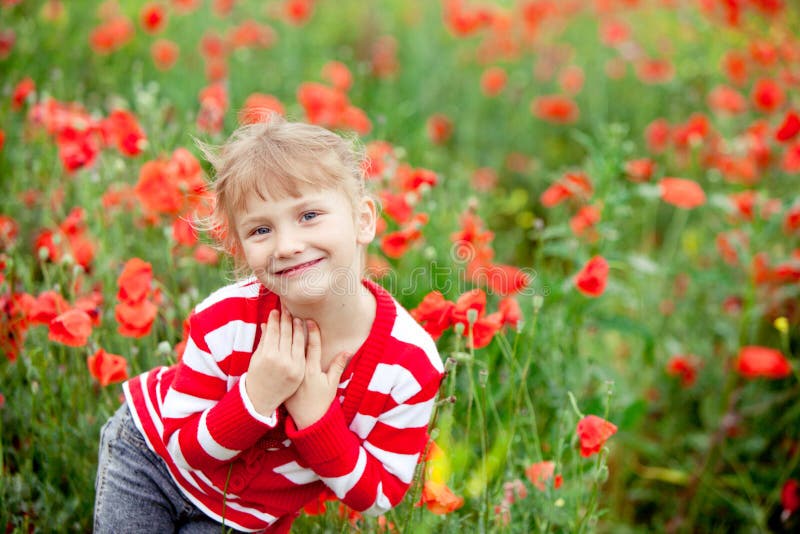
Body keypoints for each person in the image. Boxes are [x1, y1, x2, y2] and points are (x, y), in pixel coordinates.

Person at [94, 114, 444, 533]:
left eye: (309, 215)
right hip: (150, 462)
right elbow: (184, 450)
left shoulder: (409, 365)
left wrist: (318, 418)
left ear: (364, 220)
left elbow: (380, 495)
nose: (288, 245)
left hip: (247, 517)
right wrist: (256, 395)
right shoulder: (225, 319)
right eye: (261, 229)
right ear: (241, 248)